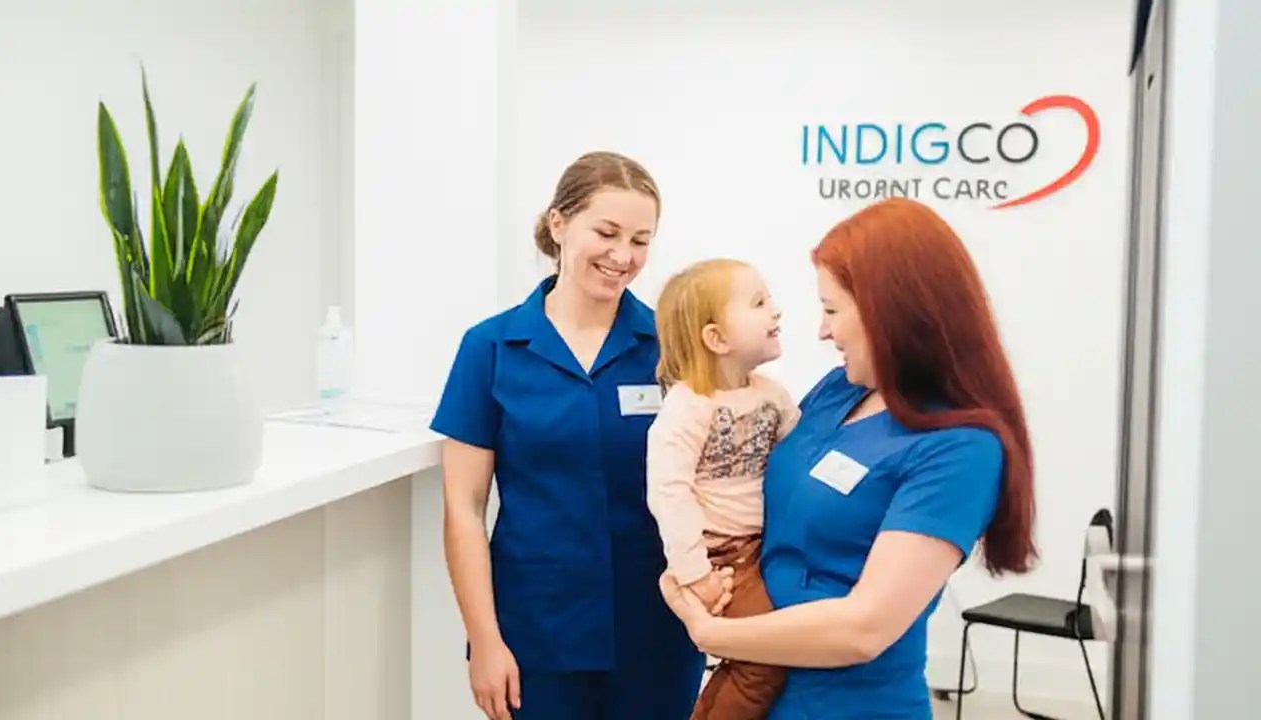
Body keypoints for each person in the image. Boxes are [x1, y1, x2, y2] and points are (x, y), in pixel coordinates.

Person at [659, 197, 1038, 719]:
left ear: (892, 312)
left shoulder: (961, 448)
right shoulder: (838, 391)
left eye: (832, 311)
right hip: (762, 694)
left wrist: (710, 632)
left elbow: (865, 628)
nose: (822, 331)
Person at [430, 151, 712, 720]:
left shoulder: (670, 347)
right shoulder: (490, 348)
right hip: (537, 636)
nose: (623, 256)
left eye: (640, 241)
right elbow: (463, 506)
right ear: (558, 224)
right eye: (606, 233)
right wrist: (484, 640)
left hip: (657, 631)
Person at [646, 257, 799, 720]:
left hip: (765, 546)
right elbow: (669, 494)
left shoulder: (772, 395)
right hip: (721, 555)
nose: (776, 310)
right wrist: (695, 575)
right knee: (763, 661)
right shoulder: (686, 408)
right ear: (717, 339)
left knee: (749, 660)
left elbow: (801, 456)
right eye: (758, 303)